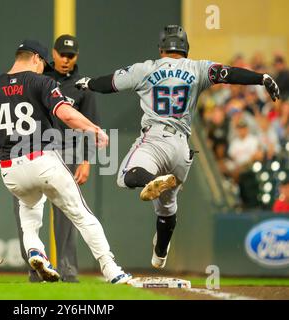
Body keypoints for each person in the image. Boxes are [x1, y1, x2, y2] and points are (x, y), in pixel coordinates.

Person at [75, 25, 280, 269]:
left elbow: (110, 83)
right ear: (185, 48)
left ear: (161, 48)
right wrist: (261, 78)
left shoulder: (146, 68)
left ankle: (152, 180)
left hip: (155, 139)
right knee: (167, 207)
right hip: (182, 149)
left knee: (126, 176)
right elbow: (229, 73)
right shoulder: (198, 68)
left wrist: (88, 83)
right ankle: (160, 253)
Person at [0, 39, 131, 284]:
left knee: (29, 219)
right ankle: (111, 269)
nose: (44, 68)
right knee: (82, 215)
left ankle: (36, 252)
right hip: (42, 161)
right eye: (43, 64)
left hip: (10, 170)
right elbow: (65, 113)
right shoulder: (42, 82)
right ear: (36, 58)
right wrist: (94, 129)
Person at [0, 35, 99, 283]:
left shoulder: (82, 86)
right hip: (31, 150)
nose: (66, 59)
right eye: (62, 54)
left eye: (71, 55)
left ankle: (68, 271)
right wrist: (0, 141)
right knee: (24, 212)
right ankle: (35, 270)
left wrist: (86, 161)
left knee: (68, 215)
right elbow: (17, 113)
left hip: (66, 153)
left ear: (76, 57)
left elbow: (91, 124)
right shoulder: (38, 79)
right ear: (54, 54)